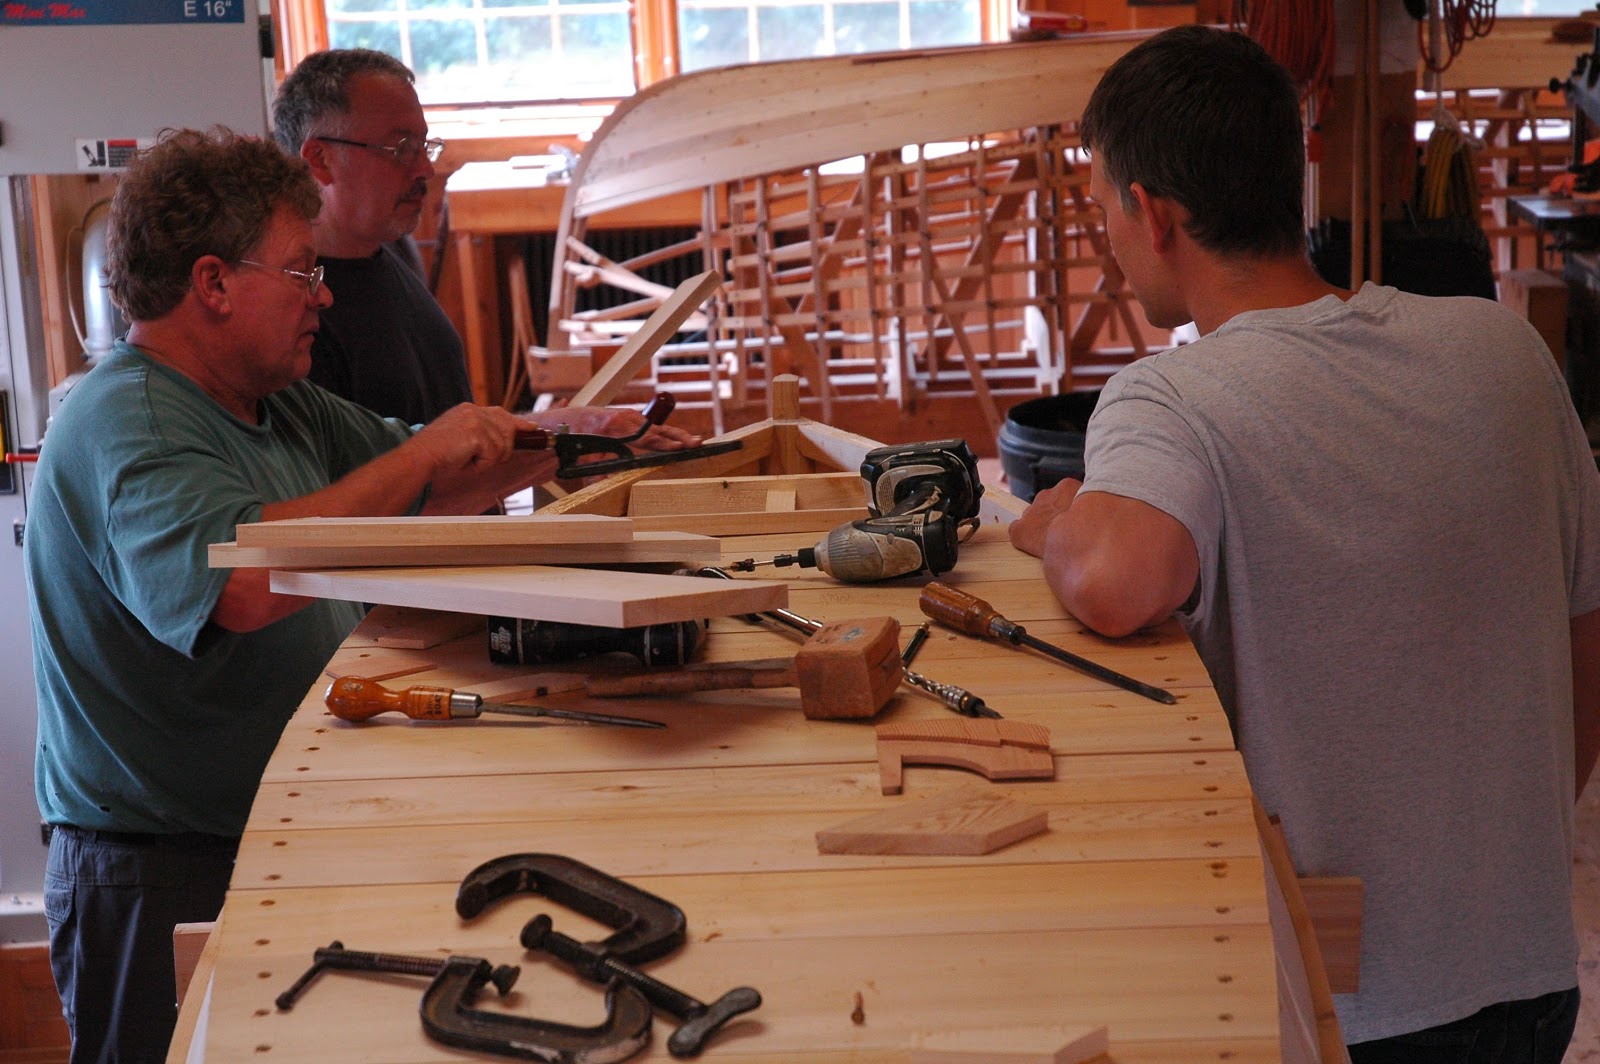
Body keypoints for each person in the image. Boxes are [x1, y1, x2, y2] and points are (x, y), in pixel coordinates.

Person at [26, 127, 691, 1064]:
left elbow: (426, 481)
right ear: (213, 283)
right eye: (302, 272)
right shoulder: (129, 421)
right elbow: (242, 584)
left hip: (263, 826)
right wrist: (429, 453)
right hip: (154, 866)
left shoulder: (273, 397)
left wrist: (582, 439)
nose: (324, 295)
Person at [1006, 25, 1600, 1062]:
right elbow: (1587, 634)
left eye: (1105, 208)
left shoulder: (1173, 394)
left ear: (1152, 212)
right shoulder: (1503, 349)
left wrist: (1055, 521)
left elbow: (1112, 579)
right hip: (1535, 979)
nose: (1107, 237)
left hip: (1352, 1006)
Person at [270, 48, 471, 425]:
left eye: (424, 147)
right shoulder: (292, 309)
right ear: (320, 160)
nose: (425, 170)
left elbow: (452, 428)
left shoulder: (391, 246)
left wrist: (543, 434)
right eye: (401, 149)